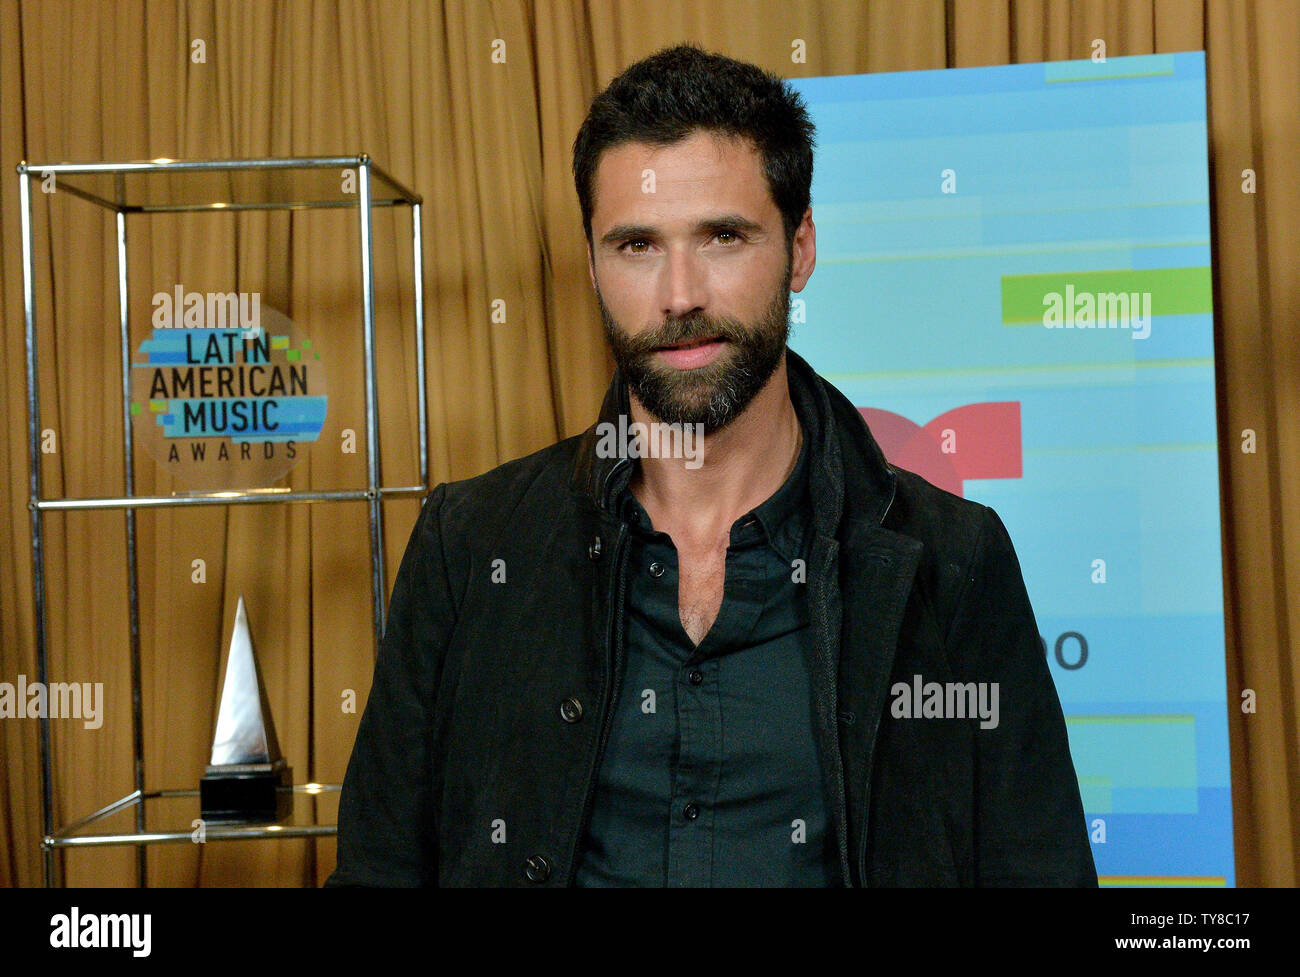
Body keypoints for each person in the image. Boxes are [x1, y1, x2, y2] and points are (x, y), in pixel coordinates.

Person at [327, 43, 1097, 887]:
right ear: (590, 264)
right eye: (637, 246)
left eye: (723, 237)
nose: (680, 294)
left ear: (800, 248)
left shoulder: (954, 559)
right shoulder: (471, 547)